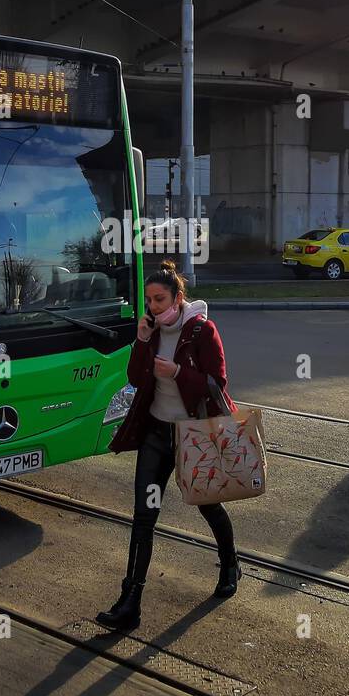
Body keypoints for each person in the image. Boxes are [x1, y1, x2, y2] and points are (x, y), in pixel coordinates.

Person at [99, 260, 240, 631]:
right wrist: (142, 341)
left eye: (159, 299)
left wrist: (178, 373)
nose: (153, 307)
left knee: (208, 506)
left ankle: (229, 562)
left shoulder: (201, 331)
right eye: (148, 300)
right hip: (156, 436)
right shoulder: (152, 331)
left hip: (193, 437)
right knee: (143, 518)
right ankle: (130, 600)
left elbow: (217, 382)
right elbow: (134, 377)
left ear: (178, 297)